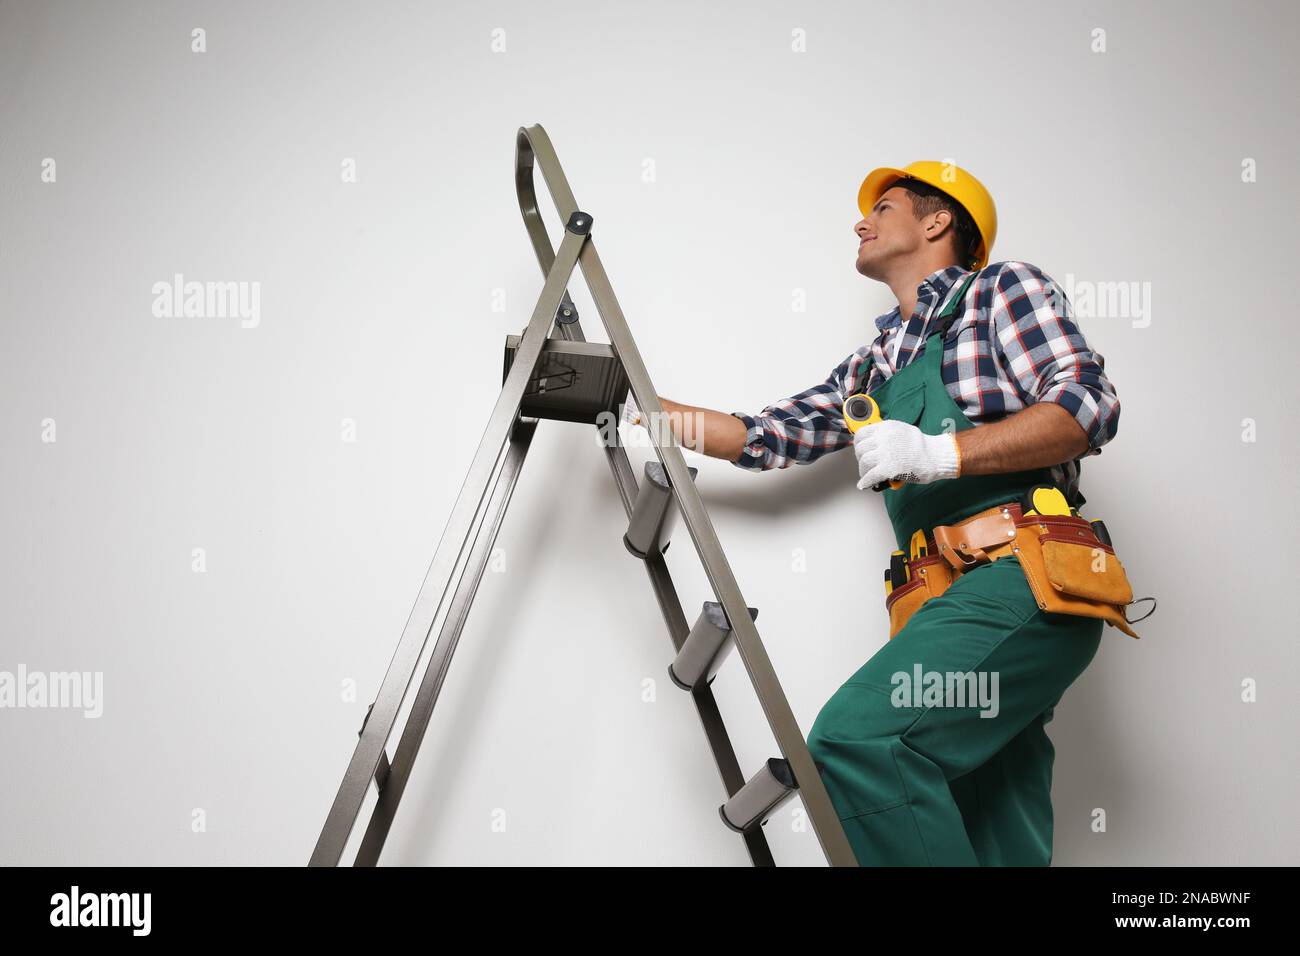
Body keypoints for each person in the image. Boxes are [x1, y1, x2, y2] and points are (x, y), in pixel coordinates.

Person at [652, 161, 1122, 865]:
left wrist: (942, 454)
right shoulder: (871, 366)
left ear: (938, 222)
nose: (861, 220)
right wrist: (635, 414)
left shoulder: (1000, 290)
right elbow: (764, 435)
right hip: (942, 602)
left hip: (1023, 578)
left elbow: (1087, 406)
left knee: (859, 740)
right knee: (996, 825)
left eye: (887, 205)